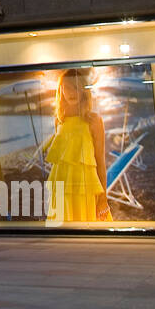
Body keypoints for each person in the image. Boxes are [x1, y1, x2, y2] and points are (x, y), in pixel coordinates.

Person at [44, 68, 111, 222]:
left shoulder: (94, 120)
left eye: (75, 87)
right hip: (62, 190)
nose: (71, 92)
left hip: (86, 189)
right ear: (60, 90)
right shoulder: (59, 121)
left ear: (83, 90)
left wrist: (103, 199)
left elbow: (100, 162)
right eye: (66, 87)